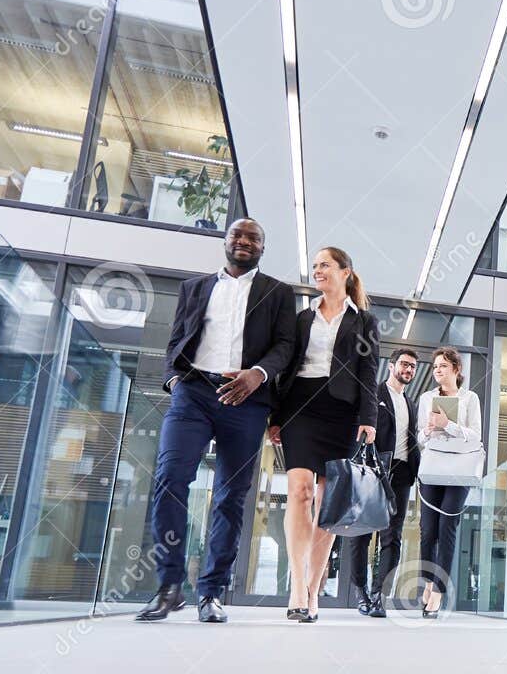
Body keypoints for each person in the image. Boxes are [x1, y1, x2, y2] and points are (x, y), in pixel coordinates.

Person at [137, 218, 294, 624]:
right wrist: (175, 380)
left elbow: (285, 346)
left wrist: (256, 374)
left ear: (263, 246)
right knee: (170, 479)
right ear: (225, 242)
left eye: (253, 237)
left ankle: (211, 592)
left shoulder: (277, 292)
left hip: (248, 399)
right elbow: (175, 341)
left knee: (230, 496)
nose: (243, 241)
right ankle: (169, 585)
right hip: (194, 393)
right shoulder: (194, 288)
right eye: (237, 236)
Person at [270, 247, 377, 622]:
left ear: (346, 272)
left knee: (327, 505)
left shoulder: (363, 321)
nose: (318, 271)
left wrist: (369, 418)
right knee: (298, 491)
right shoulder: (302, 319)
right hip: (301, 407)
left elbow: (368, 371)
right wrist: (276, 416)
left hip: (342, 414)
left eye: (325, 265)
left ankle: (314, 590)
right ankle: (297, 587)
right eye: (315, 266)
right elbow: (286, 369)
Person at [346, 347, 420, 617]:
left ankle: (379, 594)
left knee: (393, 537)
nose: (408, 370)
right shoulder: (374, 395)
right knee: (362, 533)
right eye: (404, 364)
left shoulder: (411, 403)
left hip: (401, 474)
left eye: (412, 366)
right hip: (372, 471)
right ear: (391, 366)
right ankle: (361, 593)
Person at [415, 346, 482, 618]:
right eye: (435, 367)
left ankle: (439, 590)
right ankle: (429, 582)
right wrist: (430, 430)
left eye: (443, 366)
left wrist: (449, 424)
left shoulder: (470, 398)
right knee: (427, 529)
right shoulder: (426, 398)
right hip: (433, 467)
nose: (437, 370)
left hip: (459, 469)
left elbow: (476, 436)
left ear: (456, 369)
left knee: (447, 527)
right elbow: (419, 438)